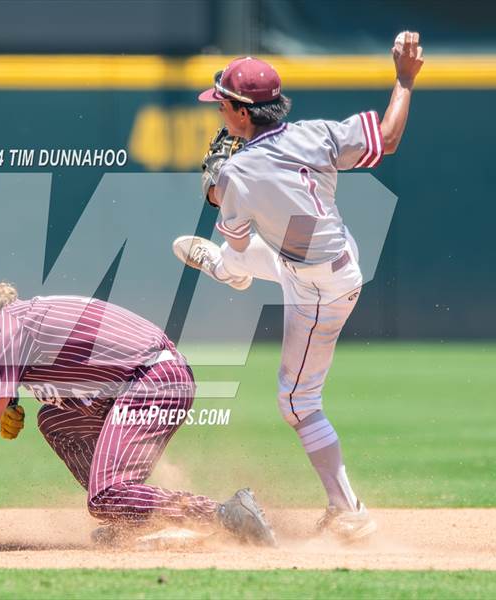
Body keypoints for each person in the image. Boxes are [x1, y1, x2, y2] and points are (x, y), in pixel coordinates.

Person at [172, 33, 424, 541]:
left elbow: (235, 220)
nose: (218, 112)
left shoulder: (238, 172)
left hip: (318, 291)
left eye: (221, 104)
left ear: (242, 113)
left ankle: (348, 509)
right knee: (277, 253)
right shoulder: (317, 134)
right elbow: (389, 138)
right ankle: (226, 269)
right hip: (329, 254)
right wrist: (404, 79)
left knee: (297, 402)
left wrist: (214, 187)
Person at [0, 271, 276, 547]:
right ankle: (134, 515)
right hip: (143, 380)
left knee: (104, 495)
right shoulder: (15, 325)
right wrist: (14, 397)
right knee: (53, 419)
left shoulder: (8, 331)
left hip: (154, 380)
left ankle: (226, 514)